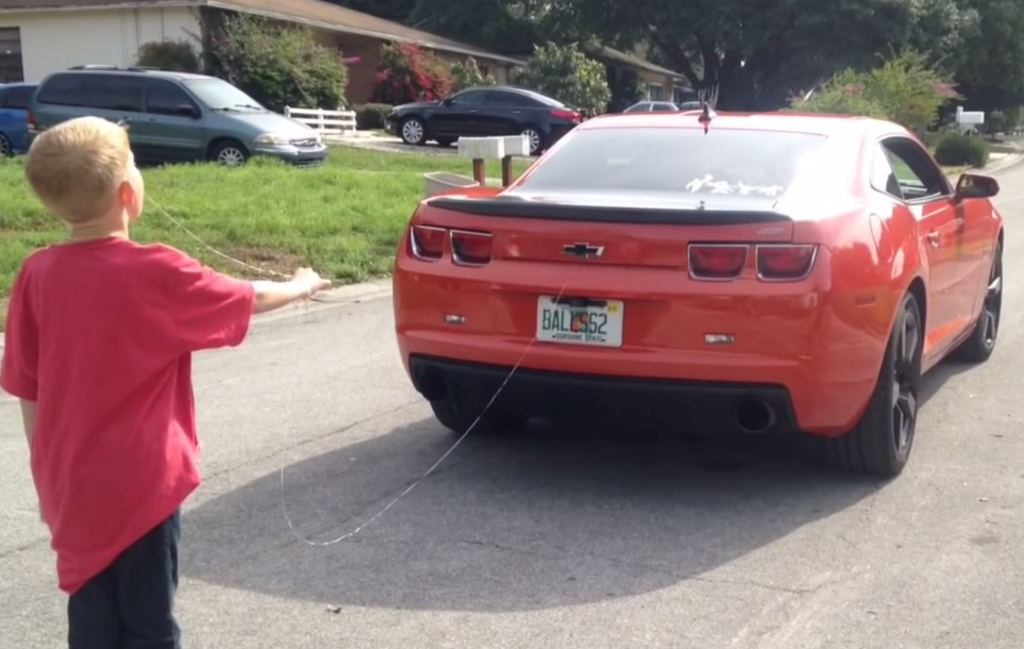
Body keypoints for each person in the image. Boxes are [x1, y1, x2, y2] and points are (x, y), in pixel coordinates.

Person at [0, 116, 331, 648]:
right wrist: (302, 284)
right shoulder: (156, 271)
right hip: (144, 486)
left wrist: (47, 483)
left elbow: (27, 386)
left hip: (72, 486)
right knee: (149, 622)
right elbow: (249, 296)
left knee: (91, 618)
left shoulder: (36, 274)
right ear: (129, 194)